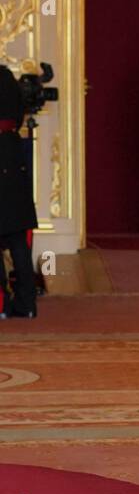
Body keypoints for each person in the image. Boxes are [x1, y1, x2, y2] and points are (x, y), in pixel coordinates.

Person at [0, 65, 37, 319]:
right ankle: (27, 304)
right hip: (12, 156)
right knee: (17, 239)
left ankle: (1, 304)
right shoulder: (6, 77)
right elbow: (21, 115)